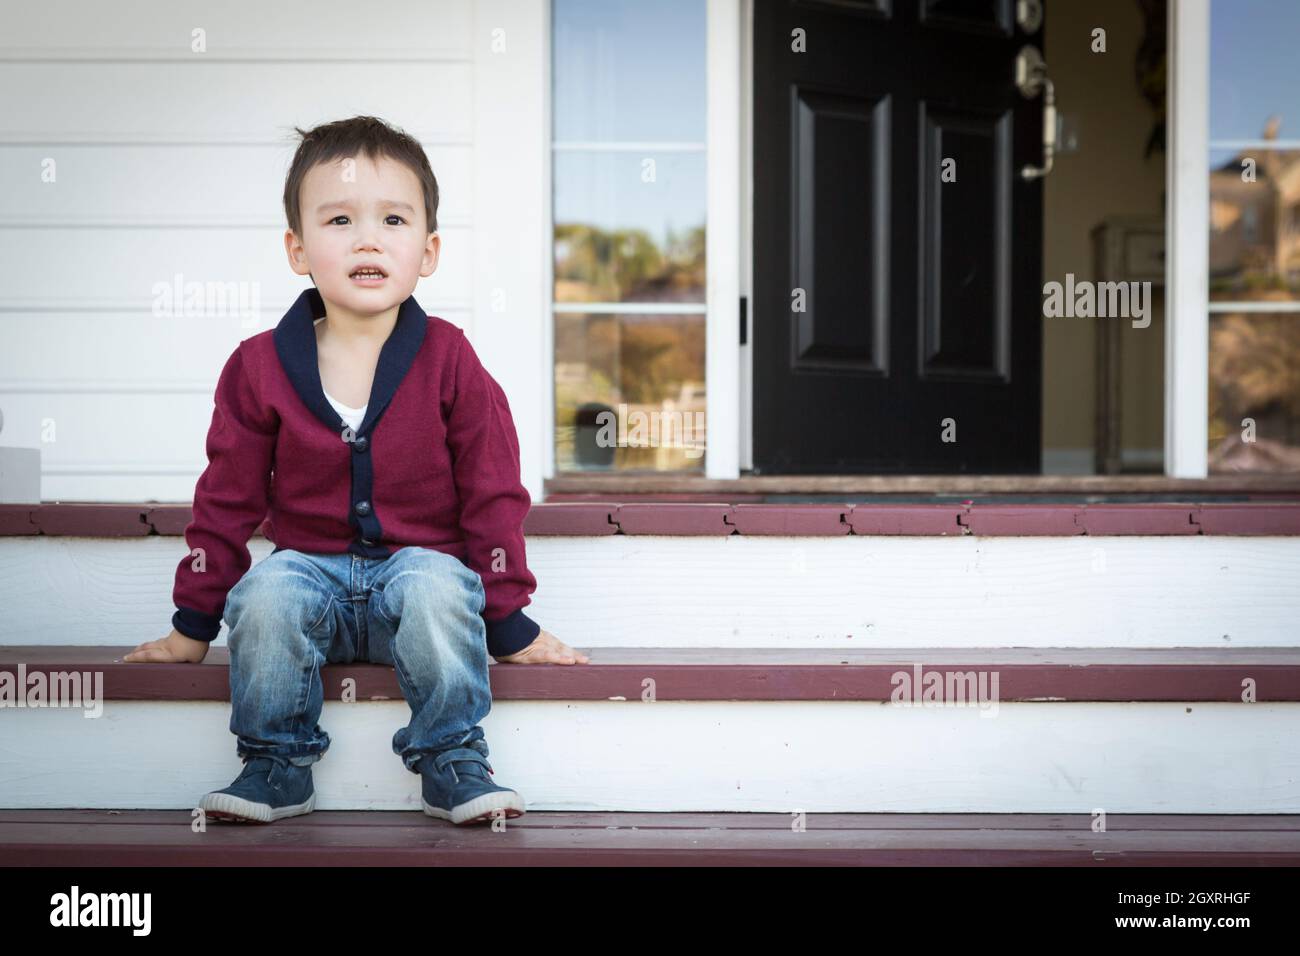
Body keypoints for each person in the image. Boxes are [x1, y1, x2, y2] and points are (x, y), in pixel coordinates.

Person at [125, 114, 588, 826]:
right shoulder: (258, 366)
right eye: (339, 219)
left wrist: (510, 620)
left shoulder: (451, 358)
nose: (368, 238)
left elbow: (493, 491)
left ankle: (453, 759)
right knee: (267, 592)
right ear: (297, 248)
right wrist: (193, 621)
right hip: (310, 576)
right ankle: (276, 764)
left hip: (417, 570)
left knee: (437, 585)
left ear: (428, 251)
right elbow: (226, 499)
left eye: (394, 220)